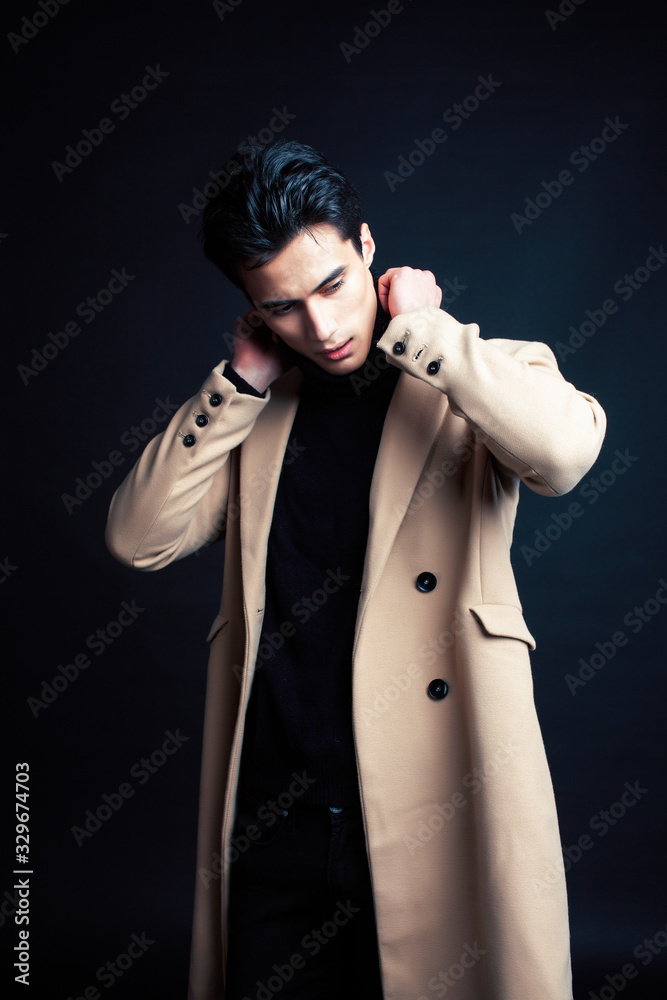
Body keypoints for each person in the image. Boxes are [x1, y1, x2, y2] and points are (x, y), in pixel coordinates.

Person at [105, 140, 606, 1000]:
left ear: (368, 248)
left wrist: (426, 332)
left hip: (436, 799)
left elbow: (561, 454)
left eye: (332, 285)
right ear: (254, 312)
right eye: (284, 308)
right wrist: (236, 382)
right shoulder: (253, 414)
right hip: (277, 809)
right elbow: (137, 539)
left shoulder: (472, 374)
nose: (323, 328)